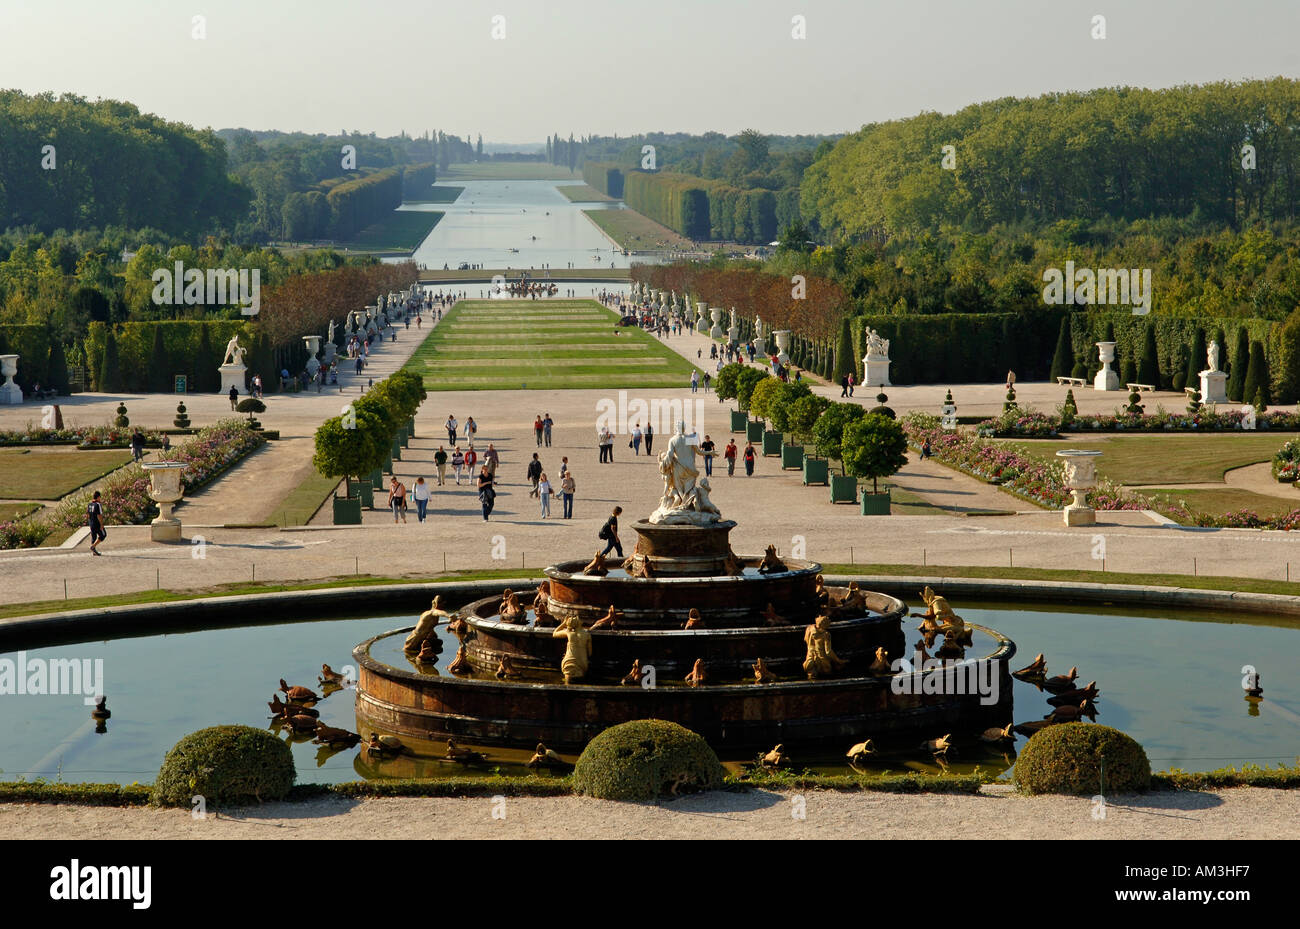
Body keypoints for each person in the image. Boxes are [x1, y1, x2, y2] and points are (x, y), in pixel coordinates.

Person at [87, 490, 106, 556]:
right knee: (103, 535)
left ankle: (94, 551)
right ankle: (93, 547)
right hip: (97, 523)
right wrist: (101, 524)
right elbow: (99, 515)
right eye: (100, 497)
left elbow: (88, 515)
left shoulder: (89, 504)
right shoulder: (98, 505)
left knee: (94, 537)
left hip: (91, 523)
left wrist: (90, 522)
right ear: (98, 497)